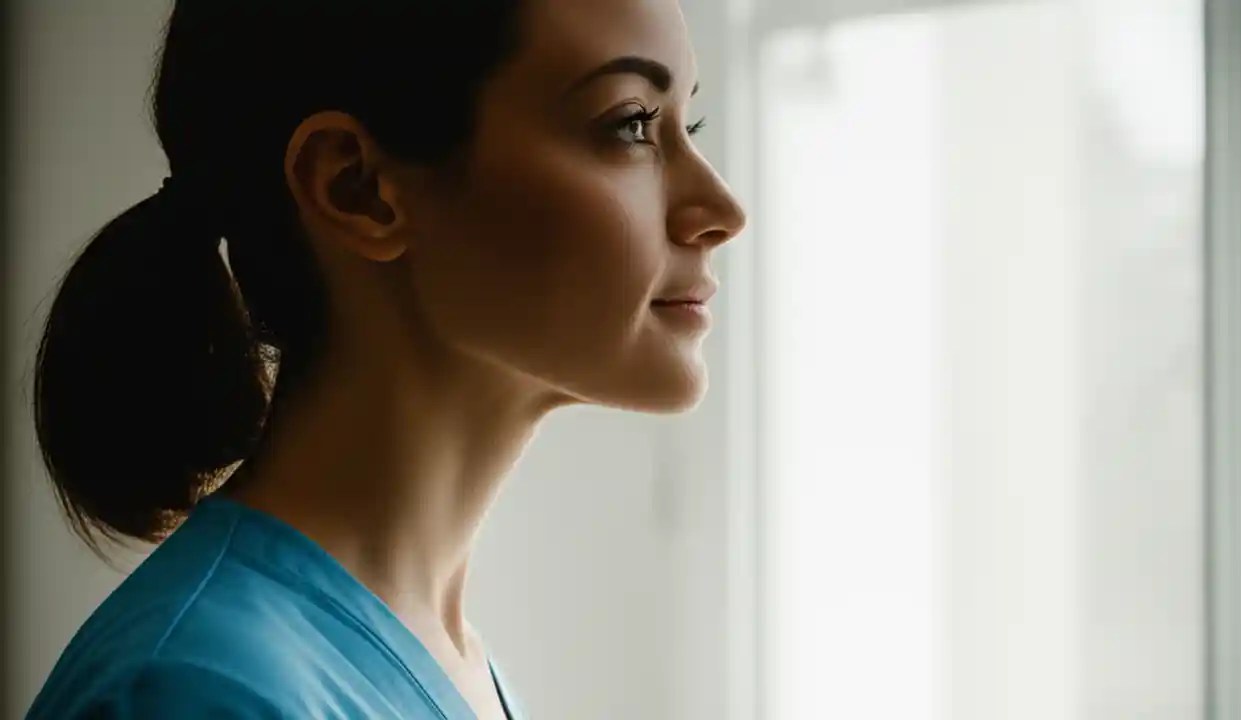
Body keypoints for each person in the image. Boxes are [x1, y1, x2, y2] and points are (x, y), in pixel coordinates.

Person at [22, 0, 746, 717]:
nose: (721, 206)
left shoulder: (447, 664)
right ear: (358, 189)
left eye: (692, 122)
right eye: (631, 125)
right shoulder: (201, 695)